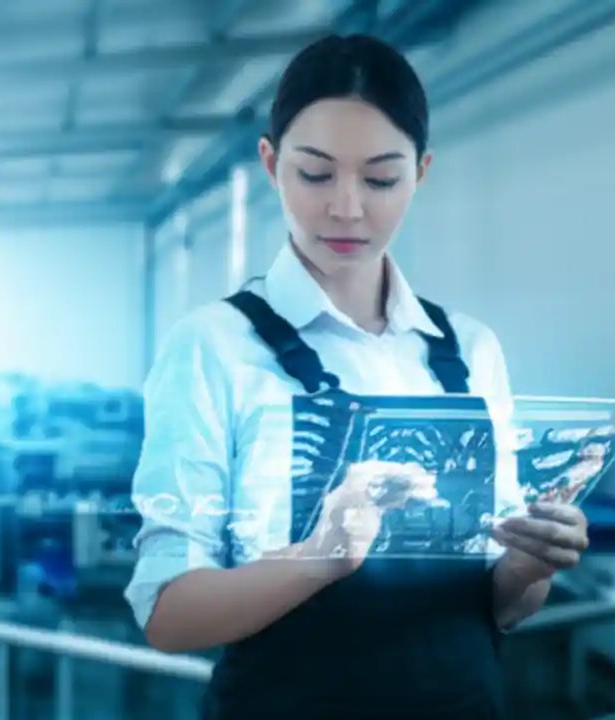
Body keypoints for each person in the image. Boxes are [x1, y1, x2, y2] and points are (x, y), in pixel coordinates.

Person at [124, 34, 591, 720]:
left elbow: (502, 604)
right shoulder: (212, 347)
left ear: (421, 172)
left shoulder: (469, 350)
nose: (347, 208)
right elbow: (166, 615)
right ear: (270, 163)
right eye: (314, 175)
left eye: (380, 179)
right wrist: (322, 556)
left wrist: (530, 565)